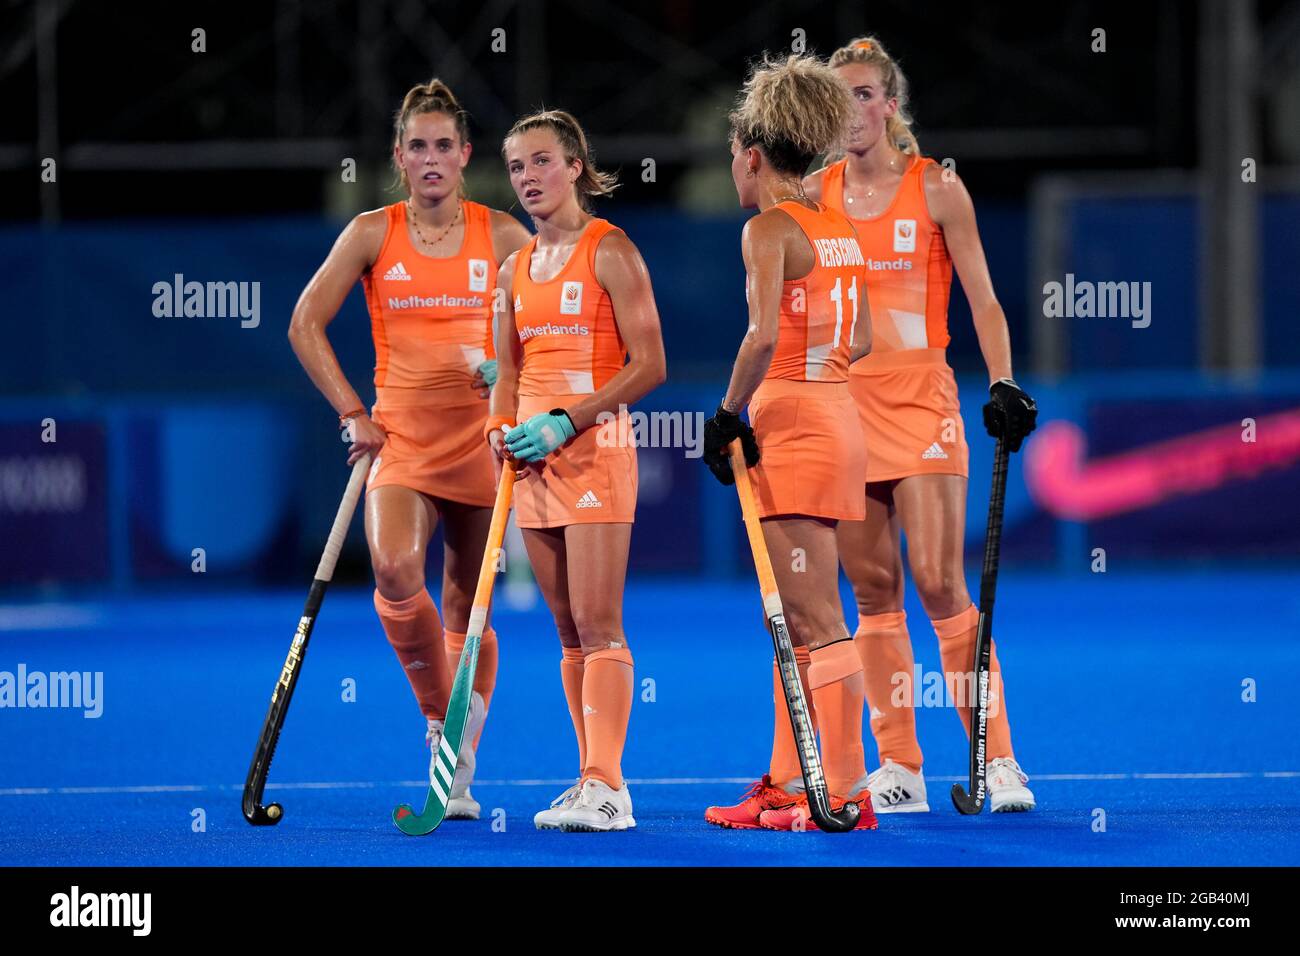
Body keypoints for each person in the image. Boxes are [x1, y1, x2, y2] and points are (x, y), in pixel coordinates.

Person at [804, 36, 1038, 813]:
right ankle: (898, 764)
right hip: (844, 404)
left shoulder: (937, 187)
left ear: (891, 106)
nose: (854, 111)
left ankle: (995, 758)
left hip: (922, 400)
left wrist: (1003, 381)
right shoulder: (812, 196)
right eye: (840, 99)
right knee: (872, 589)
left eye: (867, 94)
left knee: (938, 579)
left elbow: (985, 299)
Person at [288, 78, 531, 820]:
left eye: (443, 146)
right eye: (416, 147)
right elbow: (304, 324)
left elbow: (558, 328)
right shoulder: (372, 232)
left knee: (469, 610)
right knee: (395, 569)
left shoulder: (507, 237)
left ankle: (459, 764)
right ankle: (442, 724)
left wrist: (518, 373)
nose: (430, 159)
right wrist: (352, 411)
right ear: (399, 156)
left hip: (483, 443)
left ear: (464, 155)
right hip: (400, 442)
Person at [702, 54, 877, 832]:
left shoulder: (767, 228)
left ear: (752, 153)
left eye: (731, 158)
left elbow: (760, 335)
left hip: (795, 427)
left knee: (813, 617)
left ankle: (846, 793)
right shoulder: (837, 226)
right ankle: (789, 780)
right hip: (836, 416)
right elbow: (863, 338)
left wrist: (729, 410)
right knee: (793, 615)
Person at [488, 109, 667, 832]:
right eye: (516, 168)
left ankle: (609, 784)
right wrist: (500, 430)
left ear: (573, 167)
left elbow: (651, 364)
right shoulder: (512, 269)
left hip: (594, 453)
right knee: (566, 630)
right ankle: (588, 775)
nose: (528, 178)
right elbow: (506, 371)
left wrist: (569, 418)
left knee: (599, 624)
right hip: (532, 467)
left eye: (540, 162)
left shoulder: (611, 251)